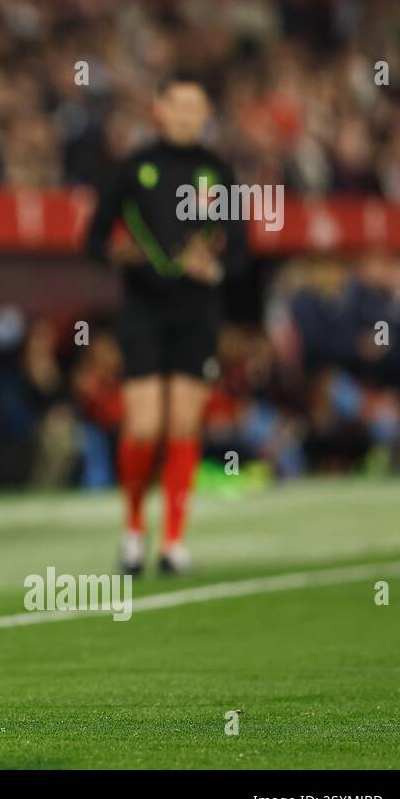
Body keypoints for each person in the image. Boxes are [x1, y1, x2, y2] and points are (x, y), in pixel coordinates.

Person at [84, 72, 247, 575]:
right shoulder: (134, 167)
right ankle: (134, 530)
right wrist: (119, 253)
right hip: (143, 311)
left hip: (197, 313)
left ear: (205, 115)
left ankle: (173, 542)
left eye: (194, 108)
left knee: (182, 425)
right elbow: (91, 240)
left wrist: (214, 267)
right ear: (159, 109)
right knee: (144, 425)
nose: (184, 116)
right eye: (176, 106)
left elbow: (241, 252)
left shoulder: (219, 172)